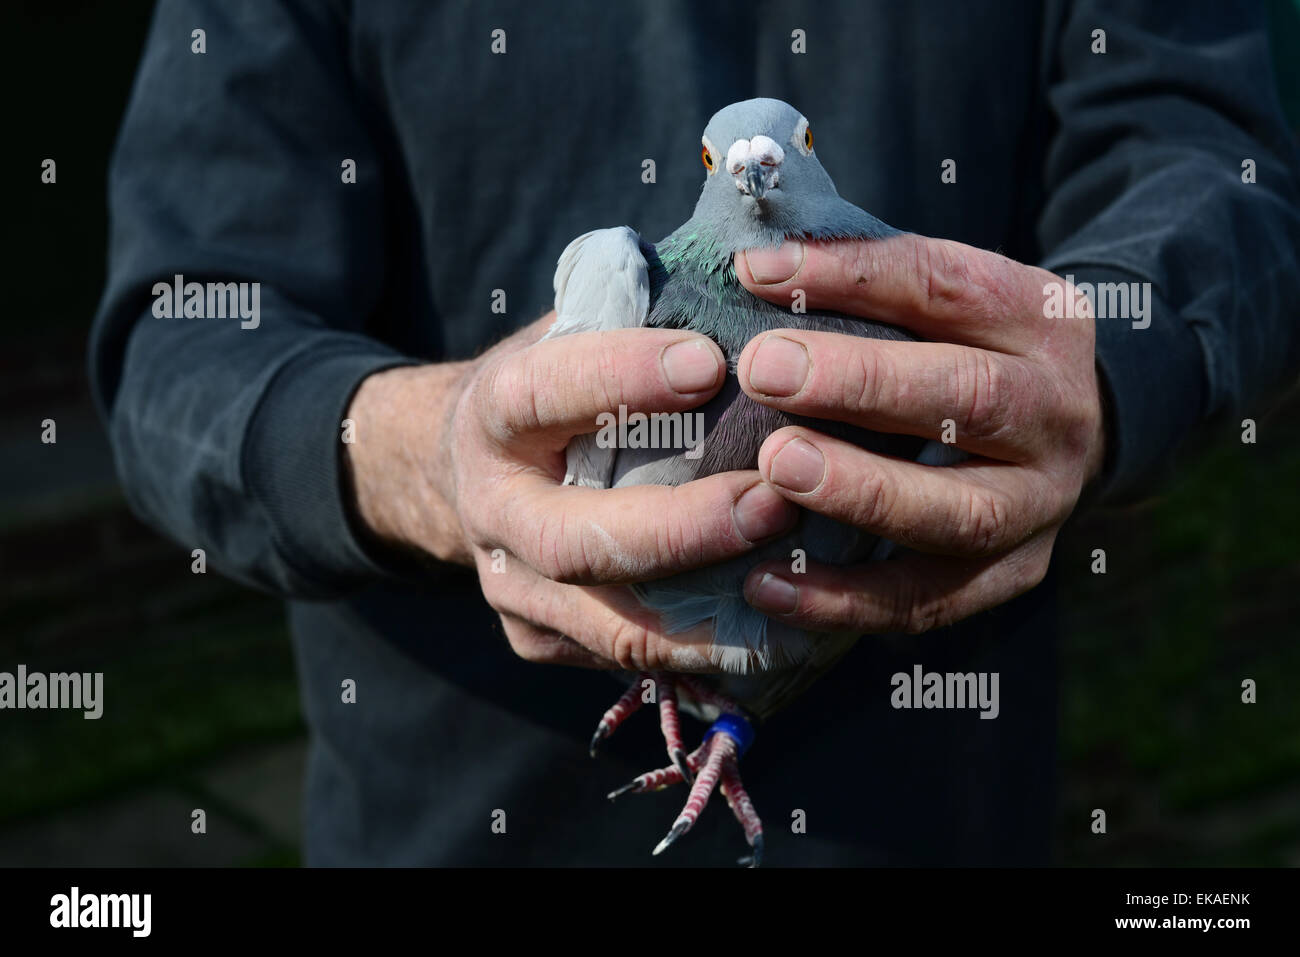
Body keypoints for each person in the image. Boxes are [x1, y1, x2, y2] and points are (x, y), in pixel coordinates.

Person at [90, 1, 1300, 865]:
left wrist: (1094, 358)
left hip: (931, 807)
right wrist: (432, 451)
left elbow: (1209, 168)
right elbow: (180, 335)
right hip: (468, 814)